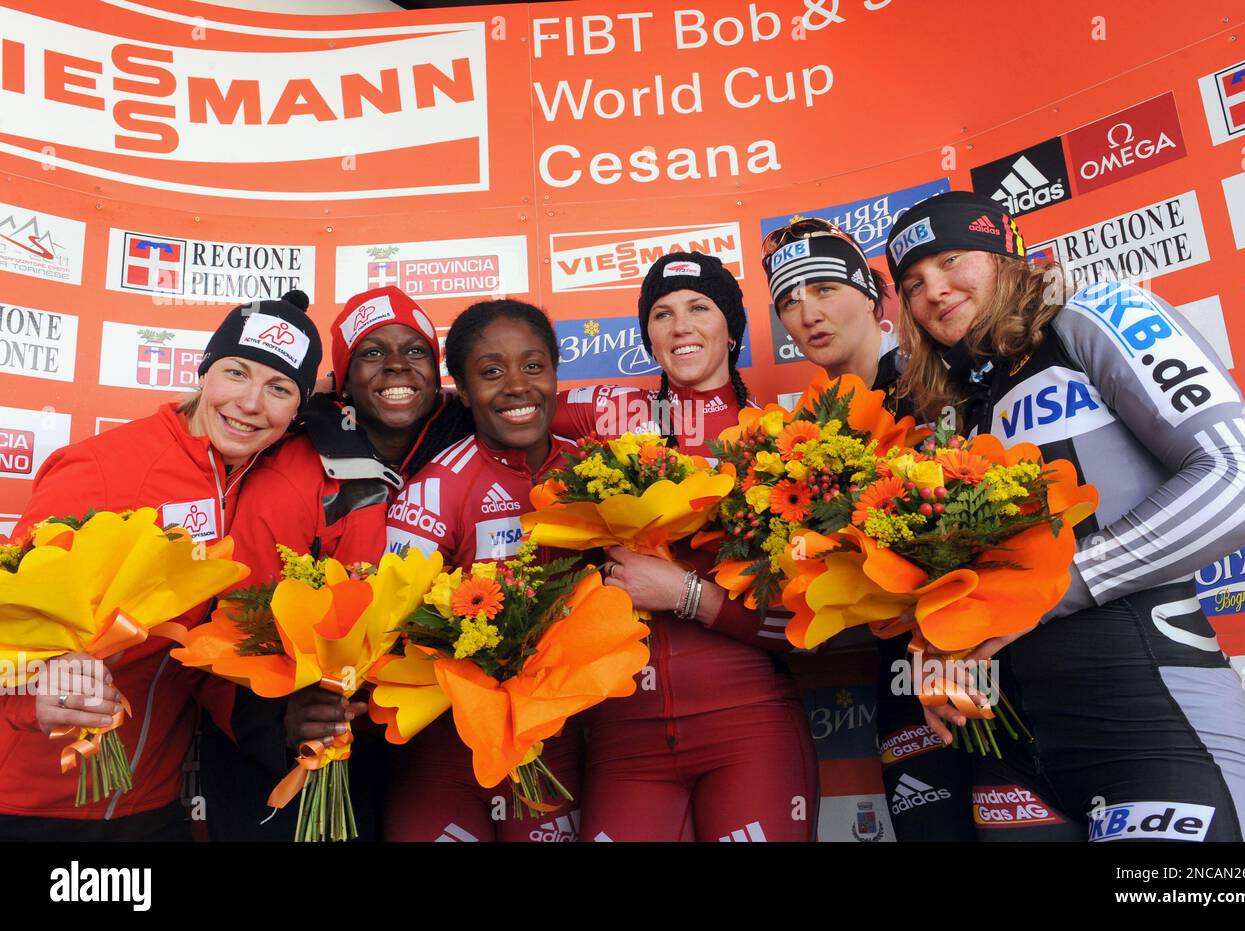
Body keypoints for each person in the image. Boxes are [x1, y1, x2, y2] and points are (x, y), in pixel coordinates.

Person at [883, 190, 1245, 841]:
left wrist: (1053, 588)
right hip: (1007, 756)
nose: (933, 289)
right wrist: (937, 651)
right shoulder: (947, 414)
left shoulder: (1097, 316)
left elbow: (1243, 481)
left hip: (1149, 728)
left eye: (952, 259)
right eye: (912, 283)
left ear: (1006, 255)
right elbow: (962, 590)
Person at [0, 292, 322, 841]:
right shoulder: (103, 466)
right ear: (203, 373)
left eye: (279, 388)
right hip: (33, 799)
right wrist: (34, 696)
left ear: (297, 410)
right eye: (236, 373)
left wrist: (283, 724)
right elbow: (11, 618)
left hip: (148, 803)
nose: (250, 403)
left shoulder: (251, 485)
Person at [552, 252, 818, 842]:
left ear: (732, 328)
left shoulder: (778, 440)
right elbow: (511, 397)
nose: (681, 326)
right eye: (662, 313)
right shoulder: (612, 421)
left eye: (700, 308)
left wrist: (687, 593)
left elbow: (812, 626)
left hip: (747, 729)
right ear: (647, 334)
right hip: (627, 737)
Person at [198, 285, 475, 841]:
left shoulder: (464, 450)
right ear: (343, 380)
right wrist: (283, 721)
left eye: (415, 350)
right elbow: (232, 626)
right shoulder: (296, 471)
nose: (397, 365)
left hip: (405, 746)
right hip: (289, 761)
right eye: (372, 353)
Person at [761, 217, 976, 841]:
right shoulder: (806, 431)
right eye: (788, 302)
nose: (807, 314)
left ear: (871, 294)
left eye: (824, 288)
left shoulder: (942, 380)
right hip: (897, 670)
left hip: (984, 655)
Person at [379, 298, 583, 842]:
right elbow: (392, 626)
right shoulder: (436, 488)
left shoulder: (595, 470)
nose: (517, 385)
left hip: (557, 747)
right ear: (464, 392)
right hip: (448, 754)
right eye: (492, 372)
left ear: (556, 374)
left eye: (534, 366)